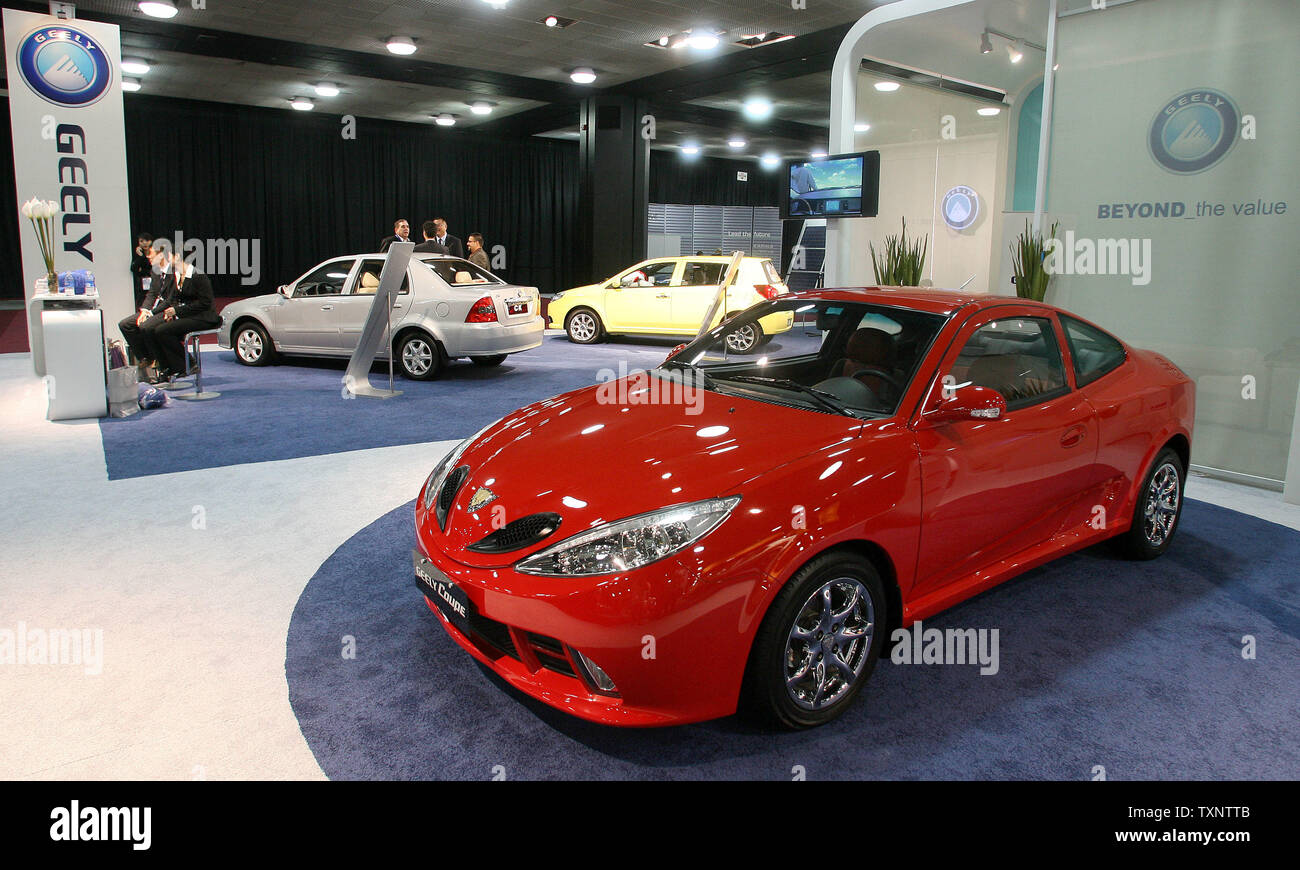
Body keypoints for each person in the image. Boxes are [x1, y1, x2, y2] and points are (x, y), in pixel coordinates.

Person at [149, 252, 221, 383]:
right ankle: (170, 367)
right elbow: (175, 299)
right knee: (156, 329)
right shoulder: (177, 275)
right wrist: (171, 313)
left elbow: (205, 303)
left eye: (169, 256)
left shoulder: (198, 275)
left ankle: (187, 364)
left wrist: (176, 311)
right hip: (190, 315)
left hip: (204, 317)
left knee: (163, 331)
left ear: (177, 256)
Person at [118, 240, 174, 374]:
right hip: (155, 309)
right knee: (125, 324)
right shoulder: (155, 271)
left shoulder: (175, 271)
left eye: (151, 253)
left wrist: (151, 313)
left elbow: (171, 300)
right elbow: (152, 293)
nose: (148, 256)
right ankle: (146, 357)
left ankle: (161, 362)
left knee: (146, 325)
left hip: (170, 310)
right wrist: (144, 311)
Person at [130, 233, 154, 308]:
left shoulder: (155, 253)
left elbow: (152, 268)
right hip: (142, 286)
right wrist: (141, 256)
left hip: (155, 283)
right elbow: (134, 268)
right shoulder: (138, 255)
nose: (144, 243)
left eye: (147, 240)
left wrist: (142, 270)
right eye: (141, 241)